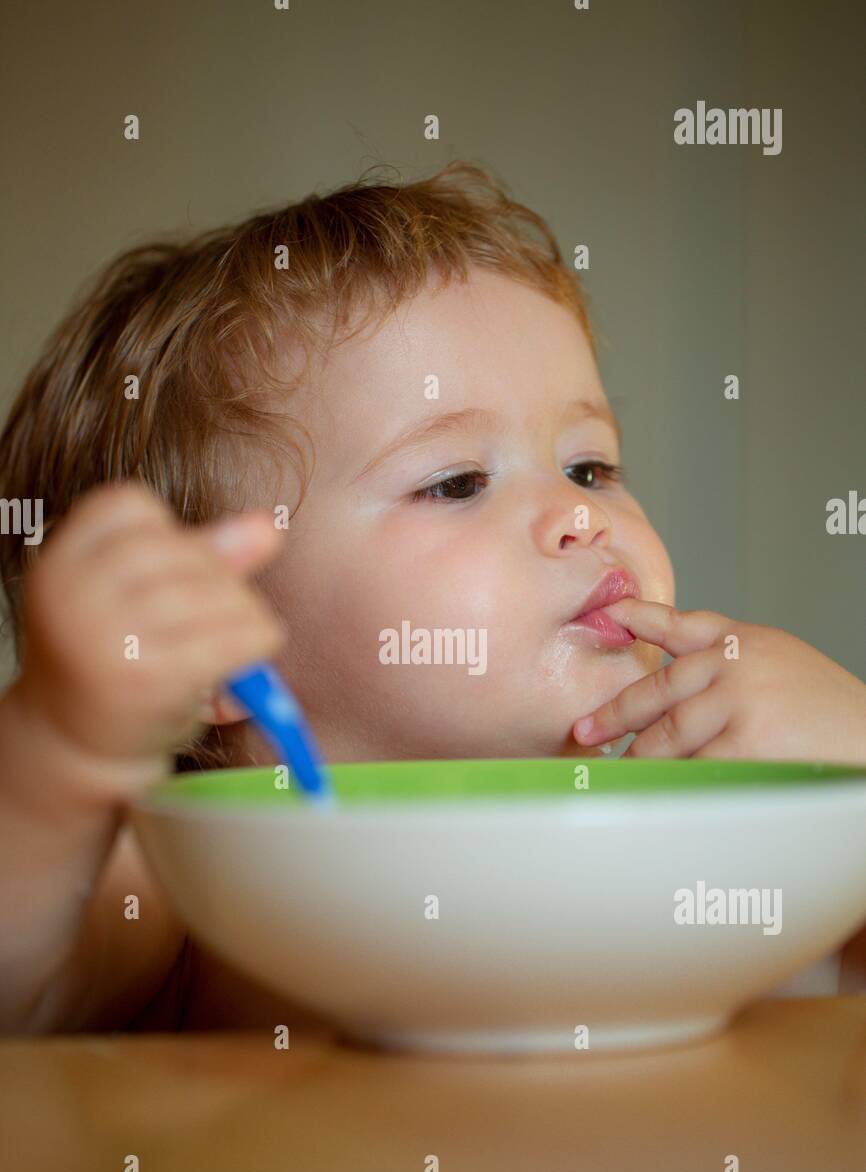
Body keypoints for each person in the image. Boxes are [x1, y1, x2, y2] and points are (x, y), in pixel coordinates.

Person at [1, 161, 864, 1033]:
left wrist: (854, 778)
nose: (579, 515)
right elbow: (18, 977)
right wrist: (59, 744)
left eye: (589, 466)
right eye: (456, 482)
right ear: (218, 633)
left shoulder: (702, 835)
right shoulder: (187, 881)